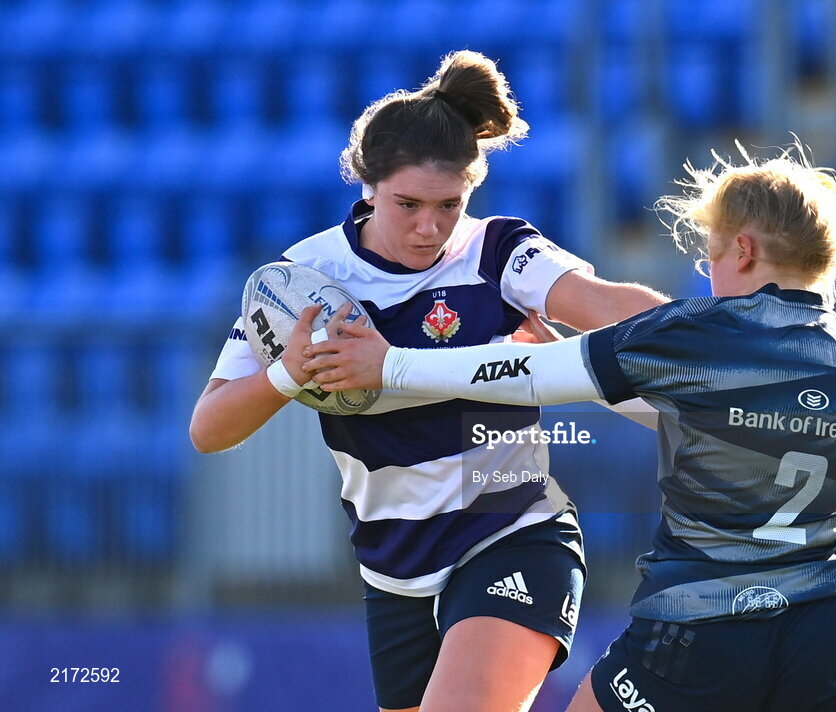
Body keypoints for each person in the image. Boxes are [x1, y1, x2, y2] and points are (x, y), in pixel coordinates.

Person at [301, 142, 836, 712]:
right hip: (830, 619)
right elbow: (697, 420)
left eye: (709, 255)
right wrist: (565, 352)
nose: (708, 275)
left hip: (705, 617)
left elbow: (532, 376)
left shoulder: (703, 330)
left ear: (741, 249)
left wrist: (391, 365)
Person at [189, 50, 667, 712]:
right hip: (392, 568)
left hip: (511, 532)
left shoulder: (499, 251)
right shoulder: (303, 278)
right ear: (365, 185)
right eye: (407, 204)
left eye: (449, 205)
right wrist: (286, 375)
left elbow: (605, 303)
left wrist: (704, 331)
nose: (428, 226)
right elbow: (208, 430)